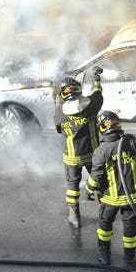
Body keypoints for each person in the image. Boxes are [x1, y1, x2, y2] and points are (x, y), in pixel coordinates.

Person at [85, 111, 136, 270]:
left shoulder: (101, 151)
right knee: (130, 228)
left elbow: (96, 177)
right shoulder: (133, 142)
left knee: (105, 225)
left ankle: (104, 256)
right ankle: (129, 260)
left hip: (109, 199)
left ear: (101, 128)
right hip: (132, 197)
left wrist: (88, 189)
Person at [54, 69, 103, 232]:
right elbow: (98, 93)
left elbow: (59, 129)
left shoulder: (59, 112)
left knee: (72, 187)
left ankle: (74, 217)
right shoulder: (91, 105)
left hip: (71, 158)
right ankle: (103, 212)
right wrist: (96, 79)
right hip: (93, 154)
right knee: (100, 183)